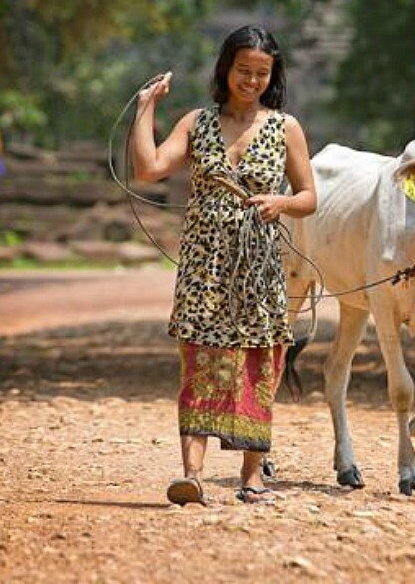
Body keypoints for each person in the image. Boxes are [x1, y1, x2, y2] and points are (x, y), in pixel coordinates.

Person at [130, 25, 317, 505]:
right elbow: (148, 169)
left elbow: (308, 197)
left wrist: (280, 202)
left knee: (259, 361)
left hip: (259, 267)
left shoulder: (286, 128)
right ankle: (192, 476)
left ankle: (252, 478)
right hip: (203, 267)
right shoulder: (197, 123)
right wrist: (145, 108)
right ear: (225, 69)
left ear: (272, 76)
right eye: (243, 70)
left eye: (261, 73)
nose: (251, 81)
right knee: (201, 359)